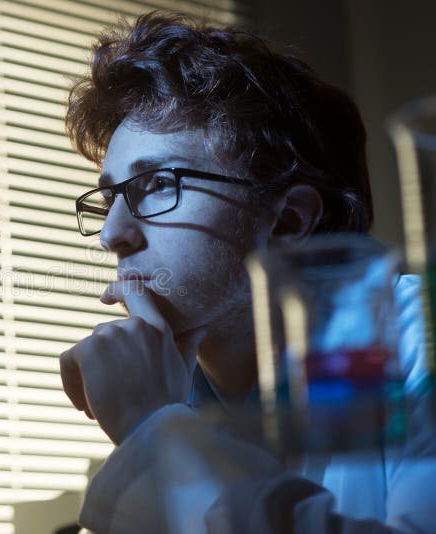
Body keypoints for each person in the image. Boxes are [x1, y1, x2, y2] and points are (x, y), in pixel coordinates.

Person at [58, 12, 435, 533]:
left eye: (158, 184)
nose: (111, 234)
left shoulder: (422, 339)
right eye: (109, 200)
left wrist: (154, 432)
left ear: (288, 220)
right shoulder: (178, 389)